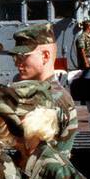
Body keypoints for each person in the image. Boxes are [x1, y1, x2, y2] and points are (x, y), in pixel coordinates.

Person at [9, 23, 79, 153]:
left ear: (45, 56)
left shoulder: (54, 99)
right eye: (15, 56)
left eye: (23, 56)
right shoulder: (37, 93)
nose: (17, 62)